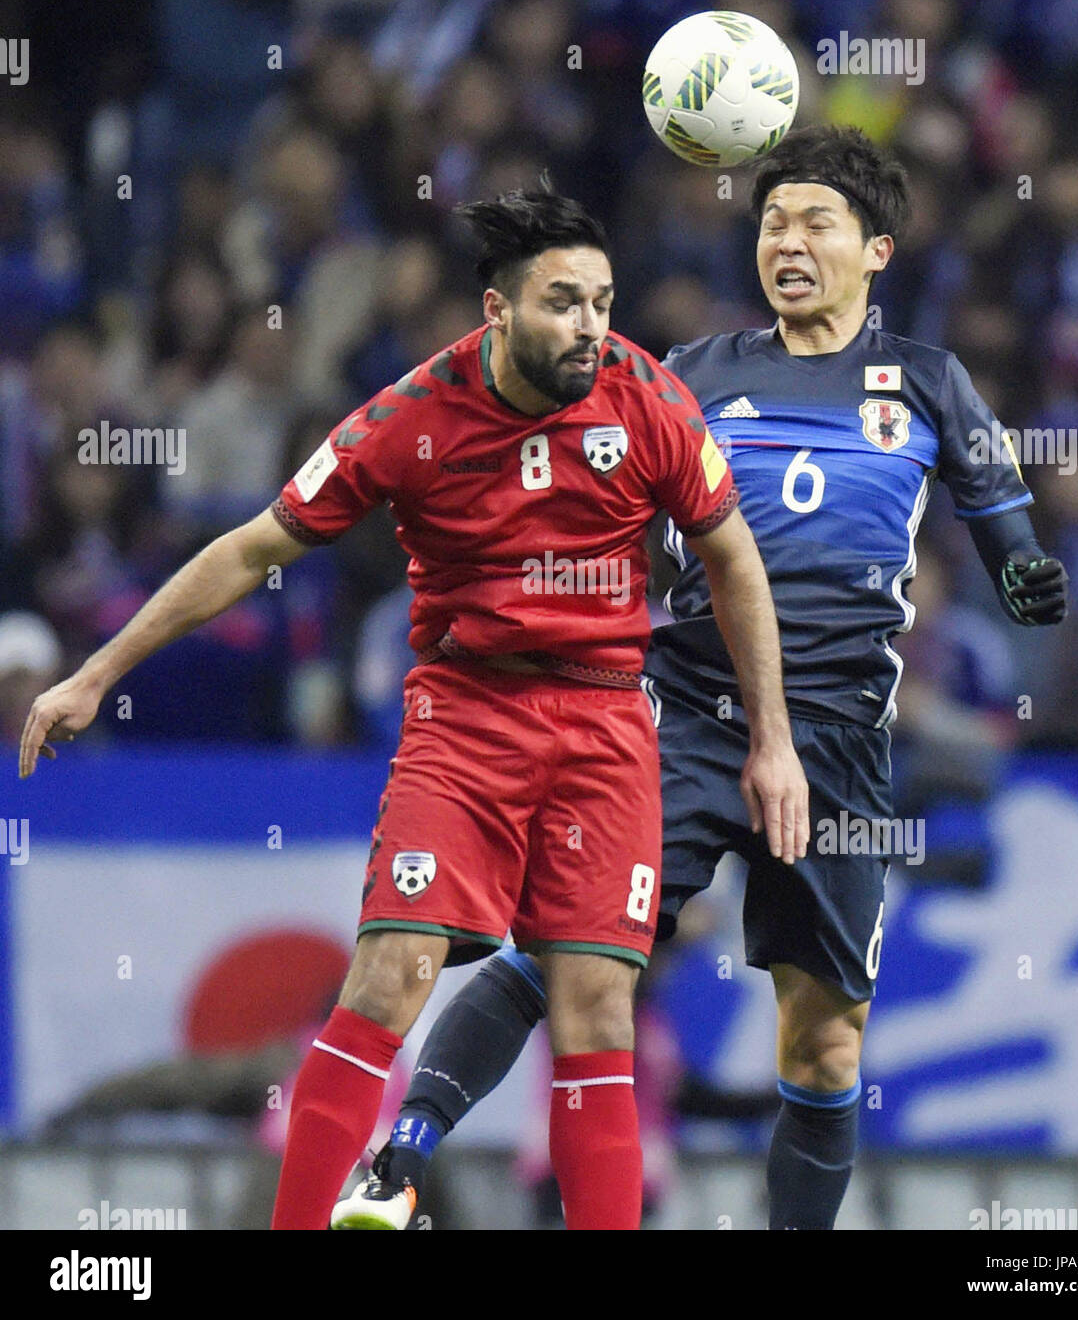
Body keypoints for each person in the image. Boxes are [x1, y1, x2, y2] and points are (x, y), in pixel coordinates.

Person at [18, 187, 808, 1232]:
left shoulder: (649, 400)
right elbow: (254, 548)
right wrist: (97, 671)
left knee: (598, 1005)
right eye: (564, 303)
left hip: (609, 721)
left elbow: (734, 562)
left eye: (603, 303)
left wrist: (775, 742)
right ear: (497, 311)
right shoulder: (410, 420)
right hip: (467, 717)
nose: (590, 328)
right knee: (393, 973)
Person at [346, 126, 1069, 1232]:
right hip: (680, 718)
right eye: (773, 220)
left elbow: (1001, 512)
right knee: (569, 952)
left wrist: (1023, 565)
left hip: (836, 741)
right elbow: (590, 489)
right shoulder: (692, 373)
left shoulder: (926, 380)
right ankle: (400, 1156)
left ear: (876, 248)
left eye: (815, 221)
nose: (787, 239)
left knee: (825, 1044)